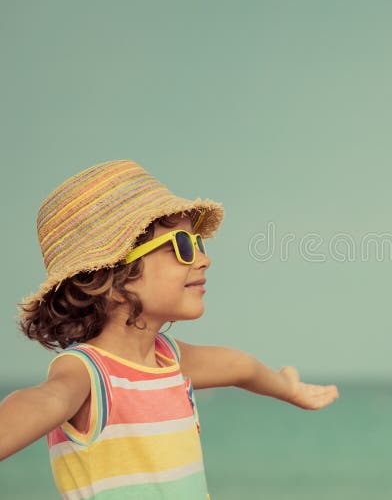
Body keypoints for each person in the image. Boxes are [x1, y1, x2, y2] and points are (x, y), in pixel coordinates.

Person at [0, 159, 339, 499]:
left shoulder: (169, 359)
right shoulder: (90, 374)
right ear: (109, 278)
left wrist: (288, 388)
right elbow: (45, 400)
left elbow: (241, 367)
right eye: (183, 246)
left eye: (198, 244)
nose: (204, 259)